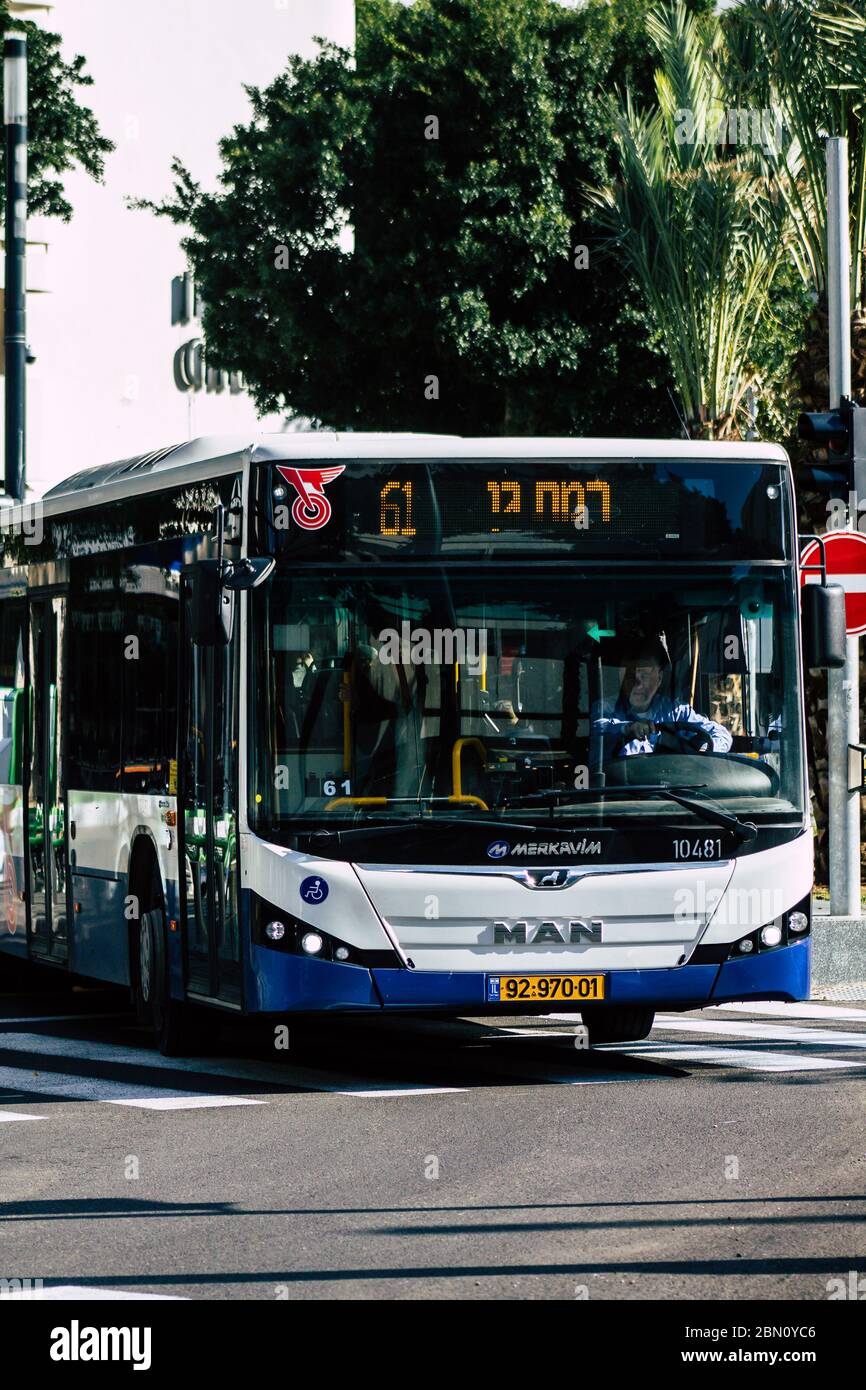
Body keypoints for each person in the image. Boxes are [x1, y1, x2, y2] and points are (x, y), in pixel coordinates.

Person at [592, 638, 732, 759]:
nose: (637, 683)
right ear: (621, 678)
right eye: (630, 675)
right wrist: (627, 728)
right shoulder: (606, 708)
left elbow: (721, 734)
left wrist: (706, 749)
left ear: (659, 679)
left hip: (672, 786)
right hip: (619, 787)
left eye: (644, 675)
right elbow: (598, 727)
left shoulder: (677, 712)